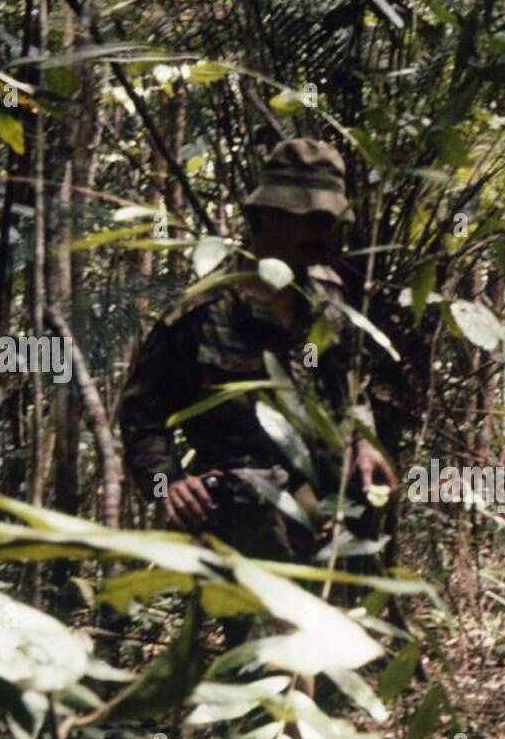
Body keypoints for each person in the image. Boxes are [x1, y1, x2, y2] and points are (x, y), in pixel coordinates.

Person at [120, 138, 396, 561]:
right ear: (267, 213)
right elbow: (141, 416)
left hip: (336, 524)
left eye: (328, 218)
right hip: (246, 533)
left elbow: (348, 383)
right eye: (308, 216)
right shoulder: (200, 312)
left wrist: (363, 440)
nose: (321, 230)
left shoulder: (331, 295)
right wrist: (168, 485)